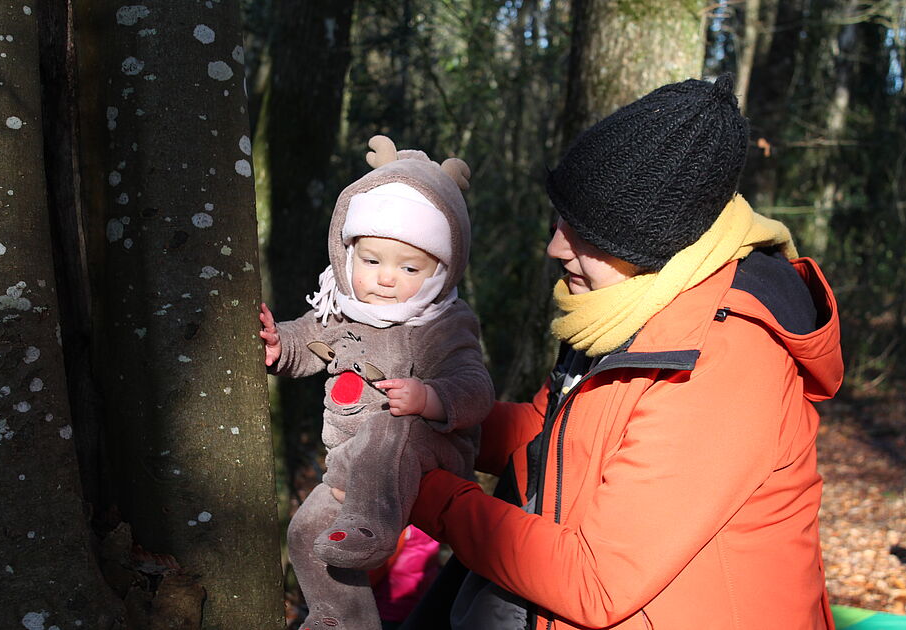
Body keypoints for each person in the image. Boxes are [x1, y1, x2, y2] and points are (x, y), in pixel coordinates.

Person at [404, 75, 844, 630]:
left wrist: (418, 490)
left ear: (651, 246)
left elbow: (598, 581)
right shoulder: (630, 306)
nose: (555, 246)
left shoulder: (724, 358)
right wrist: (428, 415)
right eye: (561, 217)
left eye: (585, 231)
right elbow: (549, 431)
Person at [259, 135, 493, 630]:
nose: (386, 279)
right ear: (348, 254)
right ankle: (341, 620)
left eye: (409, 267)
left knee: (392, 427)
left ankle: (370, 526)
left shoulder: (441, 323)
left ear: (440, 270)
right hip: (351, 469)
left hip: (428, 454)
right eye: (371, 261)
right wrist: (280, 346)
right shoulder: (345, 309)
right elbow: (308, 338)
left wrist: (431, 398)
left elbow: (476, 389)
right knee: (305, 534)